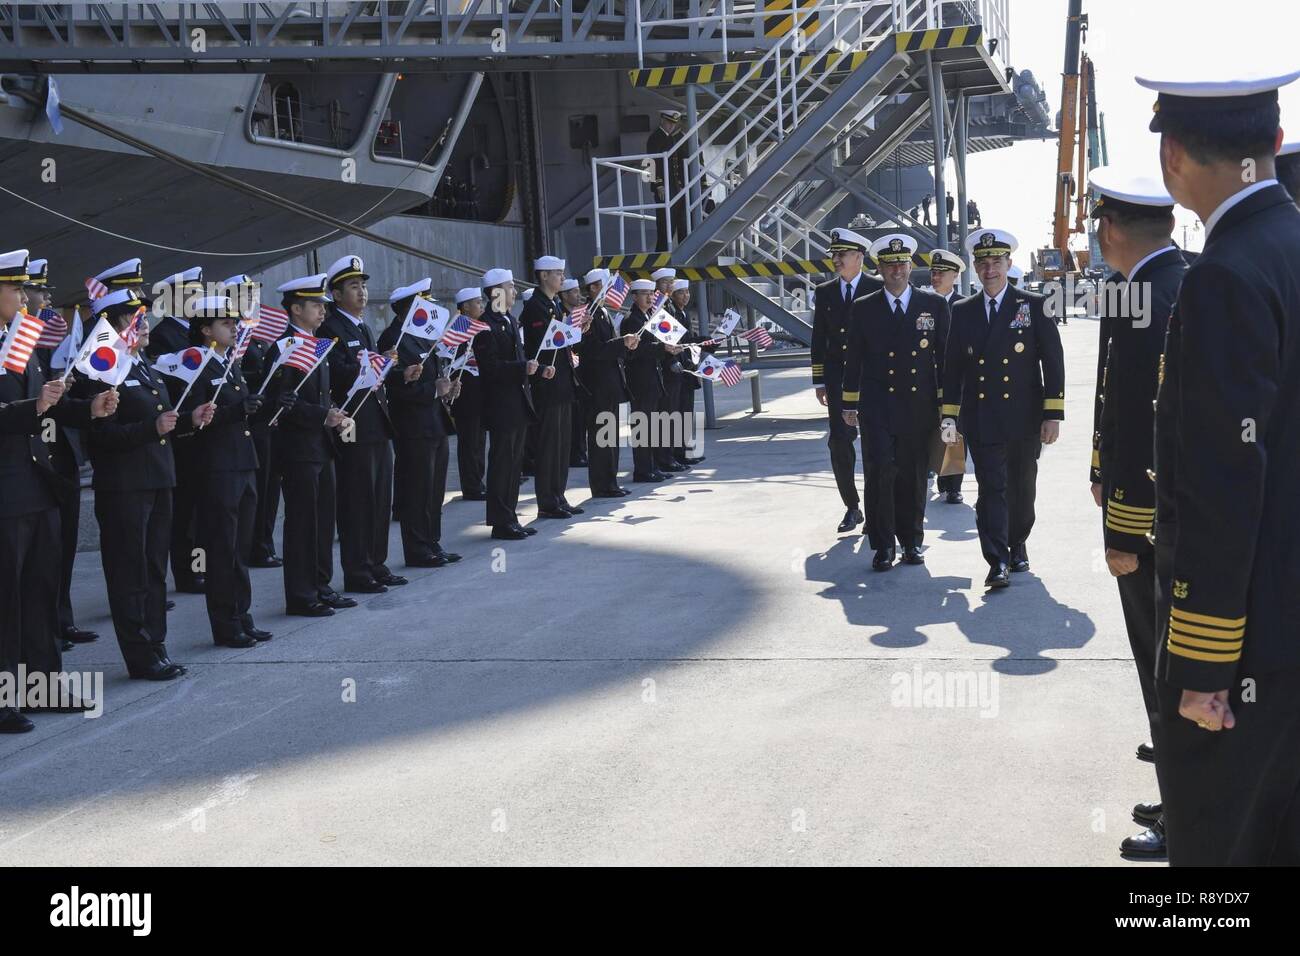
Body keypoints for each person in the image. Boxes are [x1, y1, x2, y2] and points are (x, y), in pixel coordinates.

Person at [1138, 66, 1300, 865]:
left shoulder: (1223, 277)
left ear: (1171, 159)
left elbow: (1224, 484)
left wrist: (1203, 665)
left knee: (1223, 853)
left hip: (1248, 647)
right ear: (1273, 143)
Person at [1082, 166, 1187, 862]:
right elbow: (1112, 402)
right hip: (1159, 517)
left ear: (1110, 229)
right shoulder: (1154, 285)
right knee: (1166, 670)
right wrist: (1097, 464)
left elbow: (1147, 418)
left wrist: (1123, 528)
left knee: (1166, 671)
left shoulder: (1150, 295)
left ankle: (1184, 820)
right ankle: (1179, 795)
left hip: (1150, 528)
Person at [0, 250, 116, 732]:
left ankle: (41, 685)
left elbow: (44, 403)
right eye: (15, 289)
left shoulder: (18, 342)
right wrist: (35, 405)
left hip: (36, 484)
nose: (25, 297)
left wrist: (88, 409)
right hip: (5, 492)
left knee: (41, 590)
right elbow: (27, 409)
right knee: (5, 598)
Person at [76, 287, 212, 680]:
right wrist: (151, 428)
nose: (146, 323)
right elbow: (100, 437)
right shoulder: (100, 367)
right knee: (129, 572)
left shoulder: (138, 362)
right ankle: (140, 654)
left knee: (154, 570)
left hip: (157, 478)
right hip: (125, 486)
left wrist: (189, 419)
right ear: (114, 324)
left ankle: (157, 645)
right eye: (136, 317)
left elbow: (161, 421)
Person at [941, 228, 1064, 589]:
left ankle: (1018, 540)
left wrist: (1052, 414)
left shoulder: (1034, 305)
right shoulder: (963, 312)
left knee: (1022, 487)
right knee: (990, 488)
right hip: (982, 418)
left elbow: (1052, 362)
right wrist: (950, 415)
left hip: (1024, 417)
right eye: (983, 263)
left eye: (996, 262)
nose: (990, 269)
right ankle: (997, 561)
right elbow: (952, 369)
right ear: (975, 269)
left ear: (1009, 264)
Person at [841, 234, 950, 571]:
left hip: (919, 406)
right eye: (889, 264)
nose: (896, 270)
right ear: (880, 267)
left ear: (910, 266)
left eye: (901, 263)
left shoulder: (933, 306)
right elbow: (854, 358)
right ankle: (883, 545)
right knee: (879, 474)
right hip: (877, 406)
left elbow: (944, 359)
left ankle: (912, 542)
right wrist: (848, 403)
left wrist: (949, 409)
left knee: (914, 476)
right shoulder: (864, 307)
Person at [176, 295, 272, 648]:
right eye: (225, 323)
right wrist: (237, 411)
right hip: (217, 469)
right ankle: (226, 624)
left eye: (234, 322)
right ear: (205, 330)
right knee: (221, 551)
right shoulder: (196, 366)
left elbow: (238, 413)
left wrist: (258, 407)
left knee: (239, 550)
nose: (234, 327)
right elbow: (194, 420)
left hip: (242, 464)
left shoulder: (227, 363)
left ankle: (242, 616)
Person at [264, 274, 356, 617]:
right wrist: (322, 415)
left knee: (321, 519)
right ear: (296, 309)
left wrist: (329, 414)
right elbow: (280, 402)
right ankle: (301, 595)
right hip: (298, 448)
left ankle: (321, 584)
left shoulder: (317, 343)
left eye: (322, 305)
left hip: (321, 445)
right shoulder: (285, 347)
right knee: (302, 522)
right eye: (315, 305)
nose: (322, 311)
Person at [319, 255, 406, 593]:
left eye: (363, 286)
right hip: (353, 425)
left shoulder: (363, 327)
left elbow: (374, 373)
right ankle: (357, 571)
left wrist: (393, 369)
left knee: (380, 498)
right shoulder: (331, 328)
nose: (362, 292)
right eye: (353, 286)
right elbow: (336, 373)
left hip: (377, 423)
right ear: (336, 294)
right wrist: (373, 365)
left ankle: (376, 562)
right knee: (357, 501)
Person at [378, 278, 462, 568]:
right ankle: (417, 549)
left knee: (434, 489)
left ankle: (432, 542)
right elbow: (395, 388)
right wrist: (432, 390)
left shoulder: (424, 337)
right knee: (417, 490)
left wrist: (447, 390)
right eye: (423, 305)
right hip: (413, 425)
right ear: (408, 310)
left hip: (434, 421)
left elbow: (433, 378)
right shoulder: (393, 339)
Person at [810, 227, 883, 533]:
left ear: (859, 257)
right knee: (840, 443)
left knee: (876, 446)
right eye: (835, 255)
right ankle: (852, 507)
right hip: (839, 379)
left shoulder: (877, 288)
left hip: (873, 379)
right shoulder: (825, 292)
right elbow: (819, 338)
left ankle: (876, 507)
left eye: (842, 255)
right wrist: (819, 381)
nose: (836, 260)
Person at [145, 266, 208, 595]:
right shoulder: (162, 335)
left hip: (201, 427)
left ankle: (199, 567)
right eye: (189, 293)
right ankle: (187, 572)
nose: (196, 298)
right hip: (179, 430)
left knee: (198, 508)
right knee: (184, 510)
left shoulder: (199, 332)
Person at [473, 268, 539, 539]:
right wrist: (523, 367)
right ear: (496, 292)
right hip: (501, 404)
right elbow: (490, 368)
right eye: (510, 287)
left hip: (517, 400)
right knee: (502, 463)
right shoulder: (485, 324)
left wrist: (535, 367)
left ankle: (510, 516)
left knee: (514, 463)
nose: (514, 292)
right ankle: (501, 521)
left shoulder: (509, 320)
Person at [222, 274, 282, 568]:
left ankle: (263, 542)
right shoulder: (233, 339)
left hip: (265, 420)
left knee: (269, 489)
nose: (251, 301)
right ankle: (254, 545)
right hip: (246, 424)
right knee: (254, 491)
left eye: (253, 295)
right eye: (244, 295)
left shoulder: (256, 339)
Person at [520, 256, 582, 518]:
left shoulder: (554, 304)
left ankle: (559, 494)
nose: (561, 277)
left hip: (562, 382)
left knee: (561, 444)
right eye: (557, 273)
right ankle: (548, 501)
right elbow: (540, 344)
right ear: (543, 276)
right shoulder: (535, 307)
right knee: (549, 445)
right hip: (547, 383)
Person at [576, 268, 638, 497]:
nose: (610, 290)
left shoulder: (602, 311)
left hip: (610, 383)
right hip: (597, 384)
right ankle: (602, 484)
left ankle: (610, 481)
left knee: (610, 436)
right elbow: (593, 350)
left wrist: (626, 346)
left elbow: (609, 346)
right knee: (601, 437)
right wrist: (622, 342)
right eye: (604, 285)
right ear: (593, 288)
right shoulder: (586, 314)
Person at [621, 278, 684, 482]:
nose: (649, 298)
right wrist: (661, 349)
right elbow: (634, 351)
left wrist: (669, 349)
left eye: (651, 294)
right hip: (640, 380)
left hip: (653, 378)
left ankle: (653, 466)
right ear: (634, 296)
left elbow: (658, 345)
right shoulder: (632, 320)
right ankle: (643, 469)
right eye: (644, 294)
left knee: (652, 426)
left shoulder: (648, 316)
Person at [926, 248, 968, 505]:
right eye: (933, 272)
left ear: (955, 275)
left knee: (952, 430)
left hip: (955, 380)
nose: (936, 276)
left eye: (941, 272)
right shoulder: (923, 303)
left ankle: (952, 485)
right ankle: (934, 470)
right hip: (926, 379)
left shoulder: (964, 305)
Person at [448, 287, 489, 501]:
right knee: (469, 441)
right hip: (464, 393)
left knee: (480, 439)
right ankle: (471, 485)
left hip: (480, 391)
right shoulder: (459, 329)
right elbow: (451, 360)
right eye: (477, 303)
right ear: (465, 307)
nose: (481, 306)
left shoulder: (479, 327)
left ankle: (478, 480)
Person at [667, 278, 711, 467]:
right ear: (674, 295)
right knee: (677, 412)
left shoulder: (684, 313)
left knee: (686, 412)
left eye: (687, 292)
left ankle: (685, 451)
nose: (686, 296)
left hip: (687, 370)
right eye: (681, 292)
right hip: (679, 369)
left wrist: (709, 341)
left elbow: (690, 340)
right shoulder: (672, 314)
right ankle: (677, 453)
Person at [650, 267, 689, 474]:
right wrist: (672, 358)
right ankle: (664, 457)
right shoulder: (657, 306)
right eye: (665, 282)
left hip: (674, 365)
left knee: (672, 413)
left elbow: (676, 338)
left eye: (671, 282)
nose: (669, 286)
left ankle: (672, 455)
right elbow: (662, 339)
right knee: (665, 414)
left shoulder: (669, 307)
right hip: (664, 368)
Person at [560, 278, 591, 468]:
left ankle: (580, 450)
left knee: (581, 416)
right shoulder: (562, 314)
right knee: (571, 416)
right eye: (573, 292)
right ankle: (574, 453)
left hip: (580, 368)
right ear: (564, 295)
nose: (577, 295)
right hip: (567, 369)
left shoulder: (578, 313)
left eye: (578, 291)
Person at [647, 108, 687, 251]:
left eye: (674, 124)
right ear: (662, 120)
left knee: (679, 222)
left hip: (675, 187)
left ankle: (681, 251)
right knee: (665, 225)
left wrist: (680, 184)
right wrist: (658, 184)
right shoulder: (655, 138)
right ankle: (661, 254)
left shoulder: (670, 138)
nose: (672, 126)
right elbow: (651, 162)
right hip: (664, 187)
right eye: (669, 123)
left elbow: (675, 164)